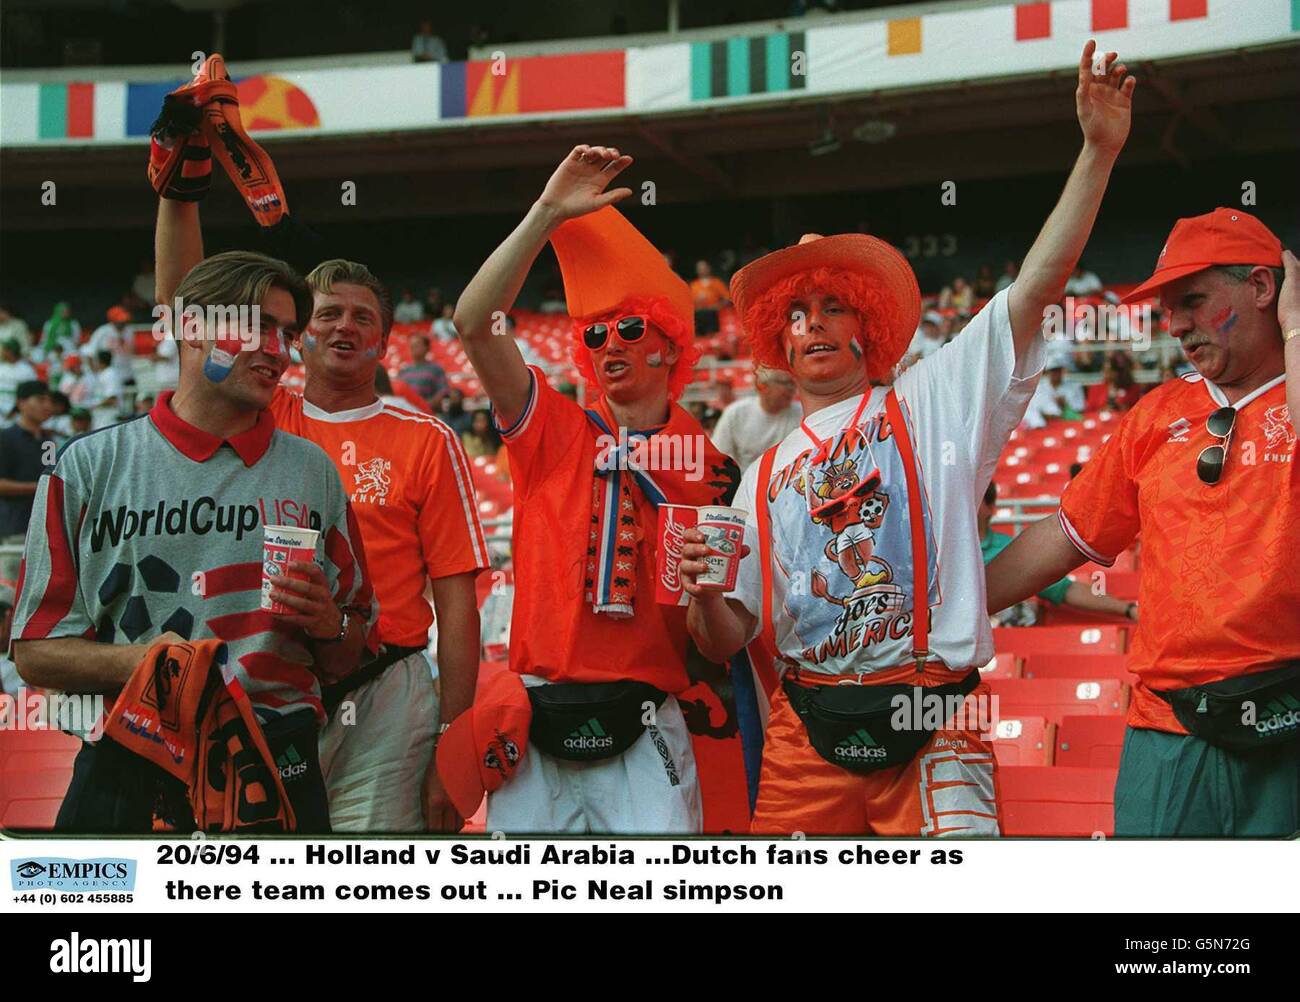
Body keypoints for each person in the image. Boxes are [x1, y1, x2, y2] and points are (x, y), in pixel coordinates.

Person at [680, 42, 1136, 836]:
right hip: (804, 731)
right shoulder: (759, 476)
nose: (812, 323)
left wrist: (1097, 155)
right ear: (779, 348)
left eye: (832, 306)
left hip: (933, 710)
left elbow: (1033, 291)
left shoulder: (931, 401)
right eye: (795, 315)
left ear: (868, 327)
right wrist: (706, 592)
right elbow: (727, 637)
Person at [154, 186, 488, 834]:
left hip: (386, 689)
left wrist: (456, 734)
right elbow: (184, 314)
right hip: (263, 683)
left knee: (377, 880)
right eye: (329, 313)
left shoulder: (426, 437)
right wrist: (180, 191)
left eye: (364, 318)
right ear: (296, 335)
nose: (345, 327)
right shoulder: (258, 414)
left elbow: (456, 600)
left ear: (385, 344)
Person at [10, 250, 377, 833]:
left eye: (286, 333)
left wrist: (329, 622)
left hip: (279, 759)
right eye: (256, 326)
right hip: (125, 758)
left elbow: (347, 649)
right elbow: (33, 652)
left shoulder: (314, 473)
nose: (277, 350)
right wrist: (159, 665)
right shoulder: (86, 465)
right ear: (190, 328)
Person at [446, 144, 740, 834]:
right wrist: (546, 214)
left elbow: (716, 638)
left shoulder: (711, 467)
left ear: (669, 346)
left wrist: (708, 597)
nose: (611, 341)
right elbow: (473, 322)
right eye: (598, 332)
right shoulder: (551, 429)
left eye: (632, 329)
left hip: (645, 720)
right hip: (537, 711)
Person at [987, 206, 1298, 837]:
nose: (1175, 324)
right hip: (1170, 728)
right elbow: (1064, 536)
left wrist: (1298, 336)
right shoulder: (1156, 415)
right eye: (1167, 308)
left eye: (1193, 300)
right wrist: (945, 609)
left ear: (1264, 289)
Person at [979, 483, 1134, 626]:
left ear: (991, 508)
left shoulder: (1008, 549)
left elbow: (1066, 590)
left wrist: (1129, 609)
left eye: (975, 498)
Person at [710, 367, 801, 471]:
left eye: (793, 383)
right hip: (745, 481)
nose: (792, 388)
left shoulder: (802, 413)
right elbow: (719, 453)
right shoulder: (737, 413)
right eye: (785, 383)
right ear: (762, 387)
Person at [0, 381, 56, 542]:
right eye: (40, 400)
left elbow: (52, 475)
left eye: (50, 401)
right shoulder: (6, 438)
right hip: (14, 526)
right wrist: (38, 487)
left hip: (44, 527)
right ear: (21, 403)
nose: (47, 406)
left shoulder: (48, 441)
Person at [399, 333, 449, 412]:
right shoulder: (404, 371)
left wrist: (424, 406)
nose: (413, 347)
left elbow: (442, 392)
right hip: (407, 413)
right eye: (411, 345)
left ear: (426, 348)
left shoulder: (436, 369)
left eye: (417, 344)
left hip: (426, 413)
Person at [0, 338, 38, 419]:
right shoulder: (1, 367)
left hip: (18, 414)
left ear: (11, 351)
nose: (1, 352)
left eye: (4, 350)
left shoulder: (27, 370)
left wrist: (15, 410)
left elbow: (31, 394)